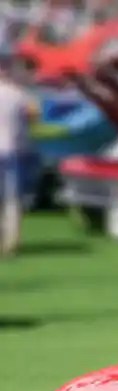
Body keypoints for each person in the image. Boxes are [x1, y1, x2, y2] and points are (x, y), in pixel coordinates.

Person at [0, 55, 32, 257]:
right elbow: (32, 118)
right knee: (12, 199)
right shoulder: (19, 94)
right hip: (13, 150)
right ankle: (11, 243)